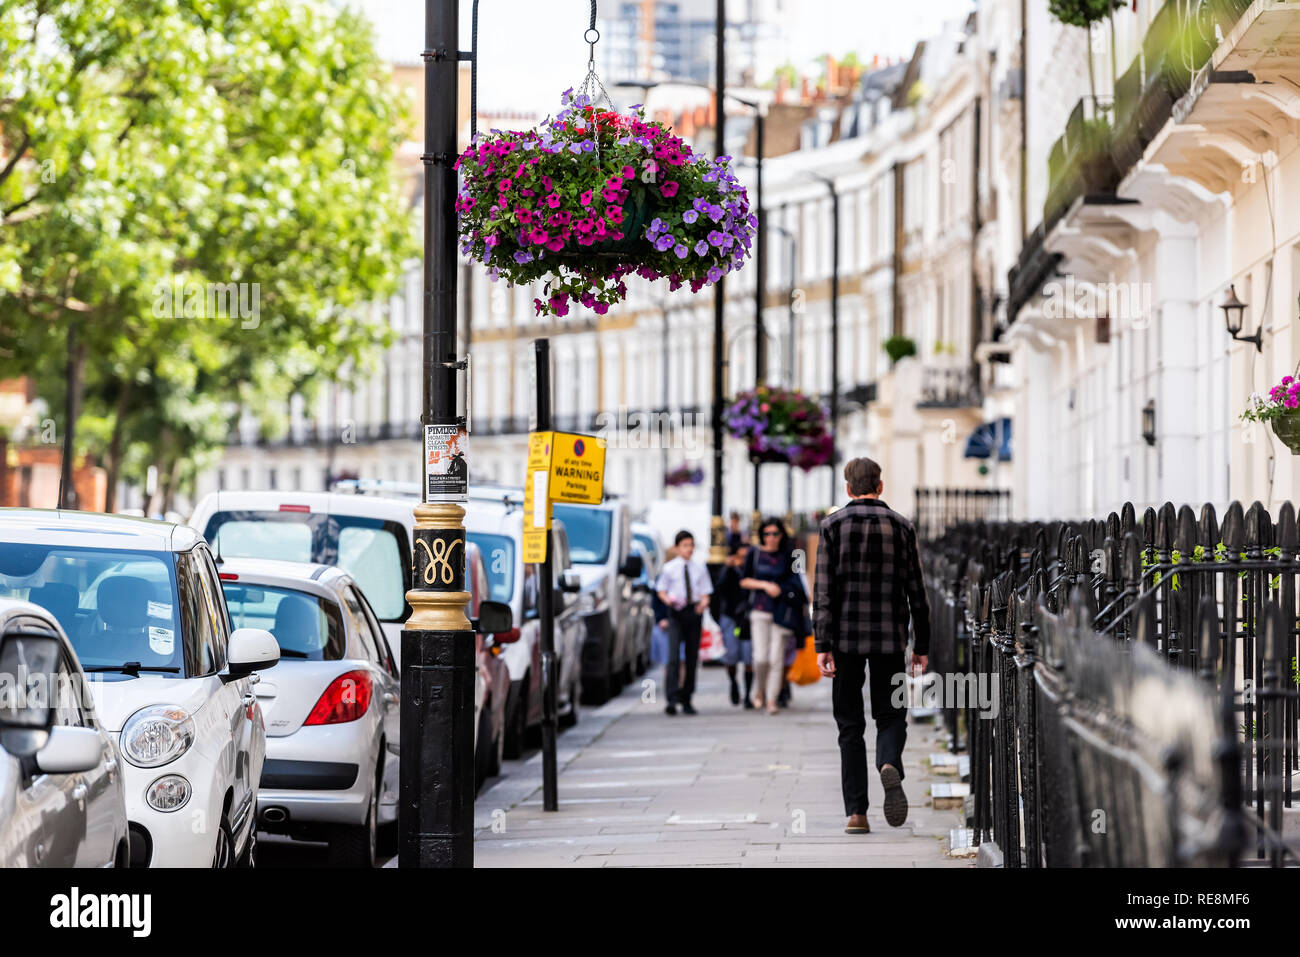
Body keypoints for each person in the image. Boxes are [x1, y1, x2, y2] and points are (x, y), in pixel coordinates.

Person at [814, 457, 930, 835]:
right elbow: (918, 592)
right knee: (891, 714)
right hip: (889, 638)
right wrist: (921, 644)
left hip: (845, 640)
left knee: (849, 724)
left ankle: (856, 814)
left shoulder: (831, 526)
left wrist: (822, 643)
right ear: (880, 486)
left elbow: (824, 593)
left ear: (848, 489)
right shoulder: (902, 527)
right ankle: (887, 762)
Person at [739, 518, 809, 715]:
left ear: (781, 535)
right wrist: (764, 585)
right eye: (767, 534)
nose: (771, 538)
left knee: (776, 658)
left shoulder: (789, 555)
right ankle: (759, 689)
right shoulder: (755, 554)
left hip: (782, 612)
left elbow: (799, 585)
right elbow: (743, 581)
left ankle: (772, 699)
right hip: (759, 610)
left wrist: (780, 589)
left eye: (775, 534)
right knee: (760, 658)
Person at [654, 530, 713, 715]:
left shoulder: (699, 568)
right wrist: (669, 601)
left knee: (691, 658)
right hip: (676, 613)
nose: (689, 549)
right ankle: (671, 697)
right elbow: (660, 590)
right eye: (685, 546)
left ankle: (687, 697)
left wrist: (702, 604)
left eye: (691, 545)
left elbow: (705, 593)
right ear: (677, 548)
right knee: (673, 658)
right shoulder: (669, 568)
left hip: (693, 612)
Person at [716, 542, 755, 707]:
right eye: (740, 556)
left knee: (749, 657)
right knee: (731, 655)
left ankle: (747, 695)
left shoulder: (754, 572)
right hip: (731, 618)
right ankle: (733, 682)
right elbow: (719, 589)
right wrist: (728, 568)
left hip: (748, 619)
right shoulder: (730, 572)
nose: (743, 560)